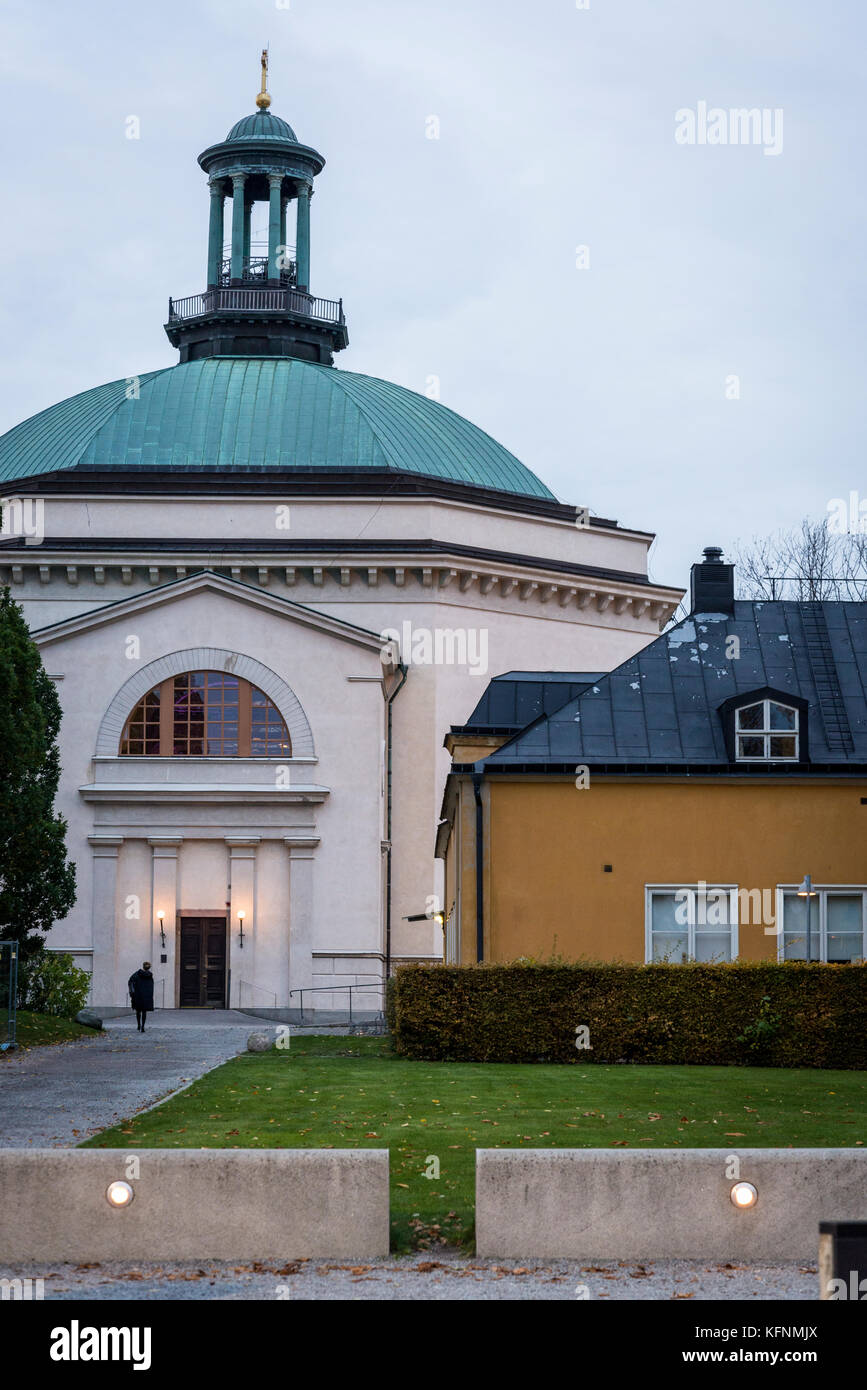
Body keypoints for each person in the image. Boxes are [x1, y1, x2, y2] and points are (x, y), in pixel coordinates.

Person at [128, 962, 155, 1032]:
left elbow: (130, 981)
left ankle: (139, 1025)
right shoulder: (150, 976)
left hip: (138, 995)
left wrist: (132, 992)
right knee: (144, 1012)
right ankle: (143, 1026)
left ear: (143, 966)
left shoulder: (137, 974)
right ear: (149, 967)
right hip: (146, 996)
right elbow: (151, 986)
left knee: (138, 1011)